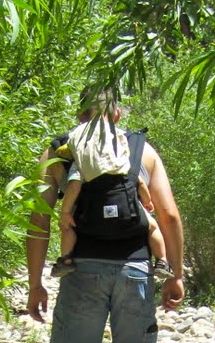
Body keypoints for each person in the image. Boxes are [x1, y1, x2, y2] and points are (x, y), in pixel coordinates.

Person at [26, 99, 185, 343]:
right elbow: (169, 216)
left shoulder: (61, 149)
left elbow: (39, 217)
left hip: (81, 269)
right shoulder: (141, 150)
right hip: (134, 268)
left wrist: (35, 283)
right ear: (119, 114)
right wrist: (175, 274)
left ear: (80, 114)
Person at [50, 114, 171, 282]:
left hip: (92, 212)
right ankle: (162, 261)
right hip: (126, 206)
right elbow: (140, 183)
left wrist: (65, 212)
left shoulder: (81, 163)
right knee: (152, 226)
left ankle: (66, 259)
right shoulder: (122, 162)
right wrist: (147, 201)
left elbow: (74, 187)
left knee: (68, 227)